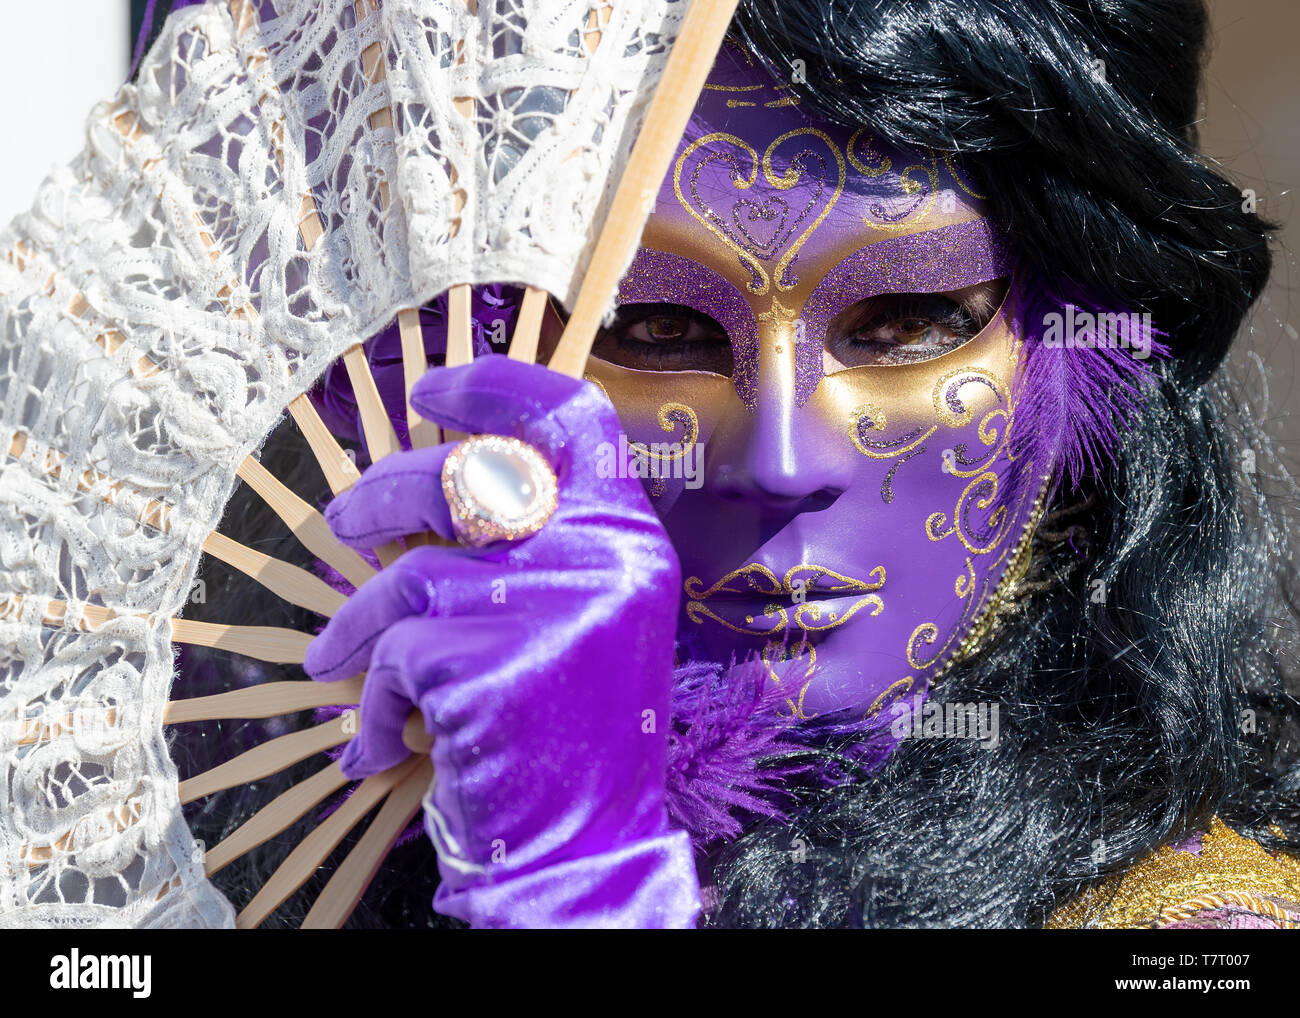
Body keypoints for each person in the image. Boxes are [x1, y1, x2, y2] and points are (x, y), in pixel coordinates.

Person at [184, 0, 1300, 928]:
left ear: (1076, 339)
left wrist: (578, 880)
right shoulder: (287, 841)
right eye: (658, 328)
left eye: (908, 318)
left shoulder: (1195, 929)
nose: (778, 463)